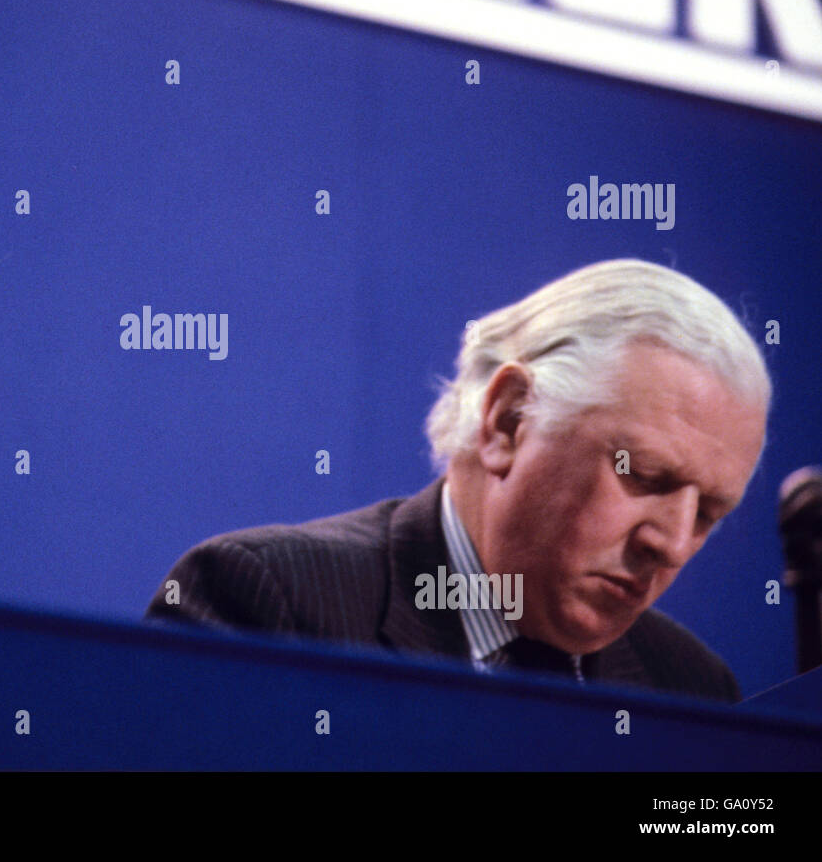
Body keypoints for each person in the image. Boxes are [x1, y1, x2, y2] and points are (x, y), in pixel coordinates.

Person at [146, 259, 769, 701]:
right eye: (647, 475)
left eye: (711, 512)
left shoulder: (690, 687)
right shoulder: (270, 607)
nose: (674, 543)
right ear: (509, 421)